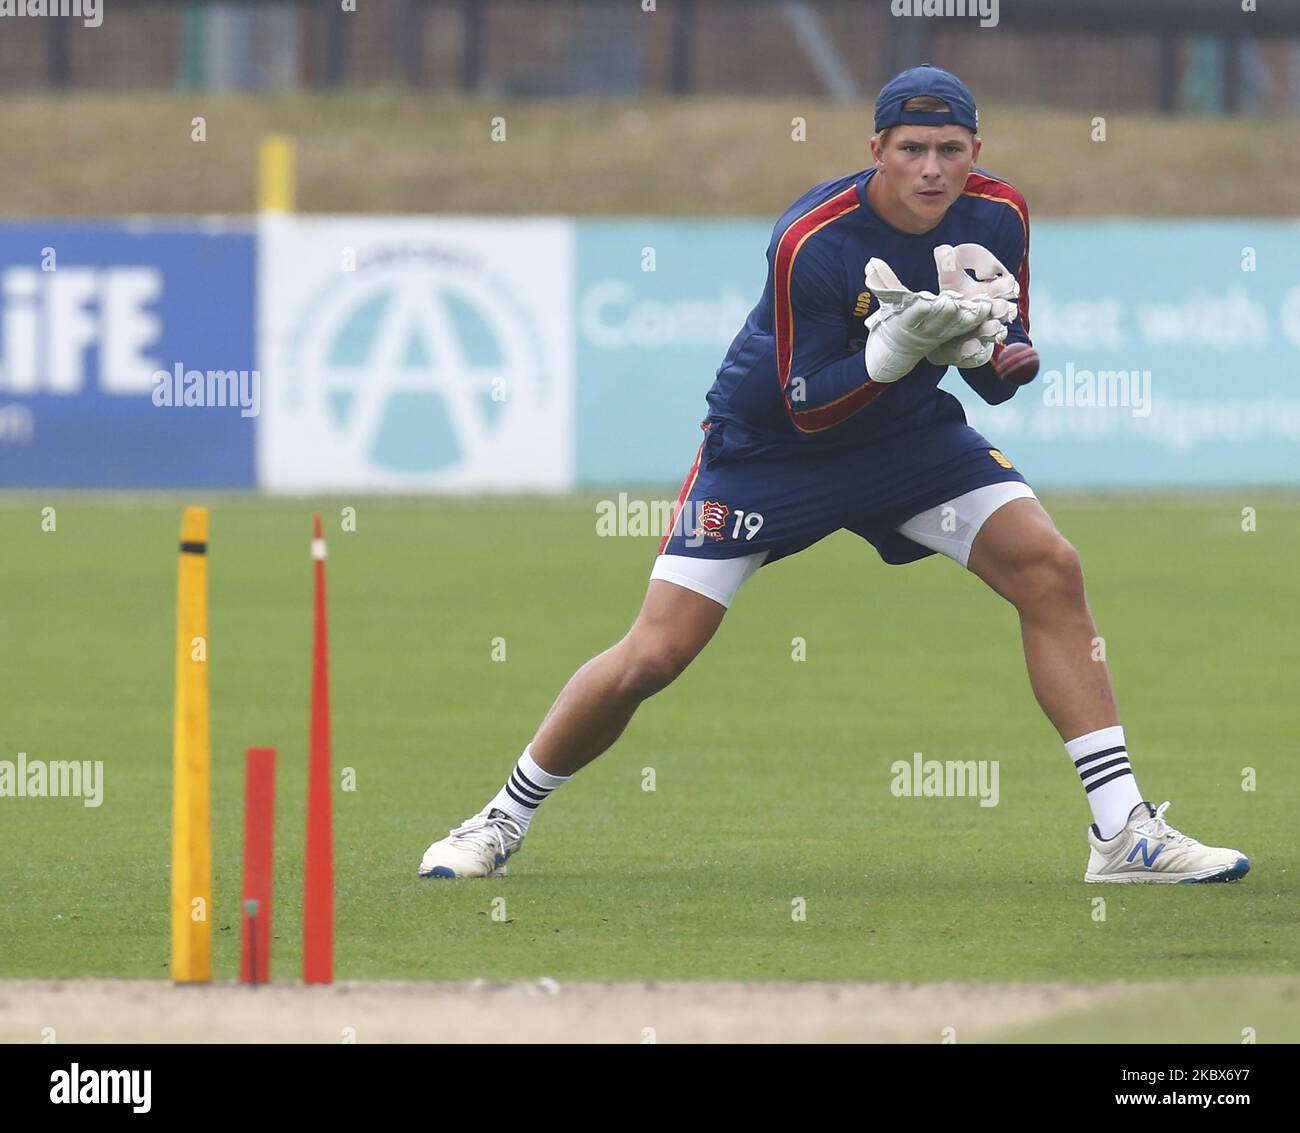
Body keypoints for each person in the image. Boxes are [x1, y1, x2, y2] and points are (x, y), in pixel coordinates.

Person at [419, 64, 1250, 885]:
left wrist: (1006, 361)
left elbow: (993, 372)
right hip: (767, 452)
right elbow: (809, 404)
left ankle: (1122, 833)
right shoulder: (812, 239)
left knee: (1051, 567)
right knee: (655, 654)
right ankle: (500, 816)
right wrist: (889, 355)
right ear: (877, 149)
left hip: (907, 442)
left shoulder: (1000, 215)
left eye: (950, 149)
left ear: (975, 150)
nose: (932, 168)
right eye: (913, 148)